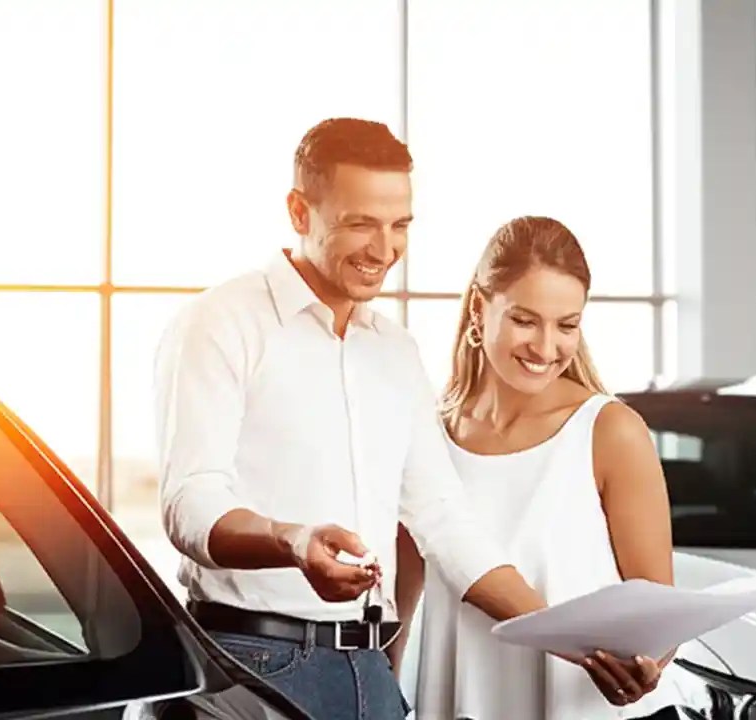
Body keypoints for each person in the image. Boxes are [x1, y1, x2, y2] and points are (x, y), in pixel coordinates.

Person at [153, 119, 651, 719]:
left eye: (399, 225)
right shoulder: (223, 322)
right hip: (249, 665)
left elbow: (443, 519)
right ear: (299, 211)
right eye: (360, 222)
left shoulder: (393, 353)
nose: (383, 249)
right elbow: (189, 502)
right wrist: (294, 542)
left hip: (366, 674)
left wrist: (570, 638)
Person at [389, 216, 677, 719]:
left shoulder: (610, 431)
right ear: (480, 309)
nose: (546, 349)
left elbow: (657, 609)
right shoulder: (426, 437)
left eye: (567, 325)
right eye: (525, 320)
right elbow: (401, 604)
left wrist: (647, 666)